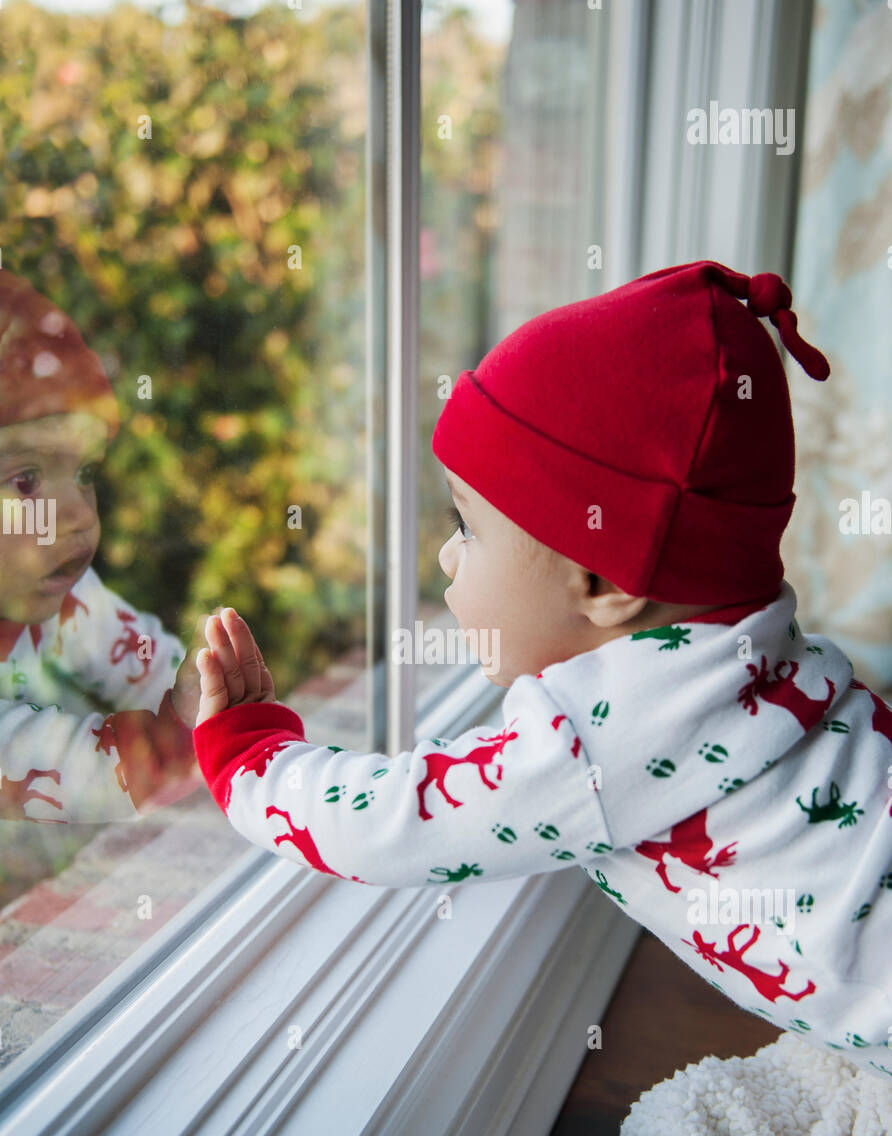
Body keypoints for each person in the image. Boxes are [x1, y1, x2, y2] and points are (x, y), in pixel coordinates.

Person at [190, 260, 892, 1080]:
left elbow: (394, 821)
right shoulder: (768, 650)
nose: (447, 557)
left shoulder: (591, 745)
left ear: (605, 585)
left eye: (468, 526)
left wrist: (247, 761)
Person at [0, 269, 205, 823]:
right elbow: (61, 772)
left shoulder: (68, 601)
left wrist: (197, 688)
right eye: (26, 481)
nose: (79, 516)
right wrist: (178, 736)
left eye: (85, 472)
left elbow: (143, 661)